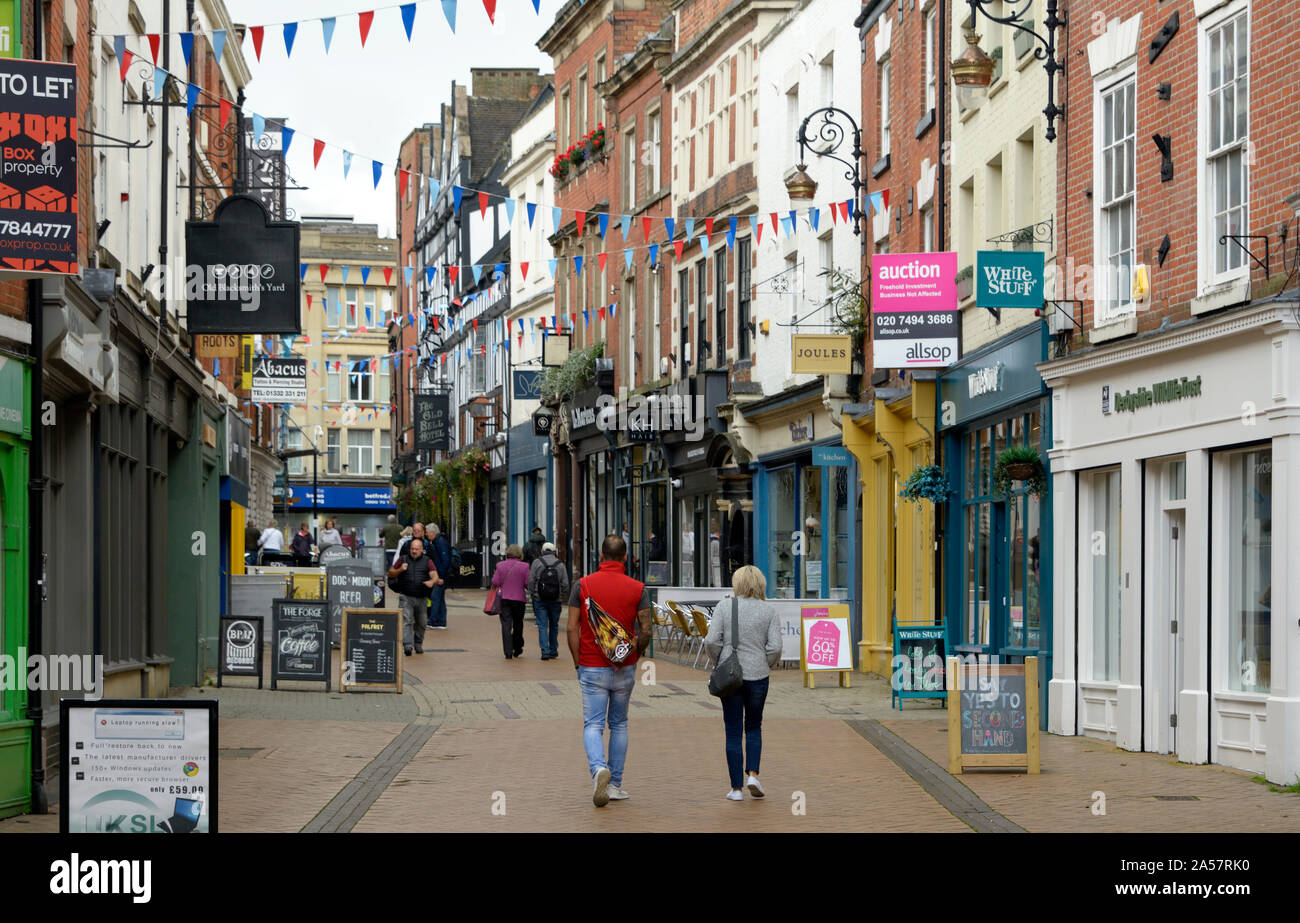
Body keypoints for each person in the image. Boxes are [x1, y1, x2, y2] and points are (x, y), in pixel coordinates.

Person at [567, 535, 652, 807]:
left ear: (601, 556)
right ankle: (614, 784)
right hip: (624, 667)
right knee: (619, 724)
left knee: (593, 724)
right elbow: (647, 629)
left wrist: (578, 662)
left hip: (591, 665)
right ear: (626, 557)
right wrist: (634, 655)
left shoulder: (582, 585)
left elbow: (571, 628)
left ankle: (598, 769)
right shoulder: (638, 589)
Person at [703, 564, 783, 802]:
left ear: (737, 583)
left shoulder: (725, 606)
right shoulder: (769, 612)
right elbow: (776, 647)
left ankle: (736, 789)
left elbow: (711, 640)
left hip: (731, 677)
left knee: (733, 730)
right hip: (758, 675)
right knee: (754, 726)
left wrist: (720, 660)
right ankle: (753, 775)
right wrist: (764, 662)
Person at [386, 537, 440, 656]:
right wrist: (400, 569)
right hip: (406, 596)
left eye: (417, 549)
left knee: (422, 622)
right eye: (412, 549)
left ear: (422, 550)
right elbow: (390, 573)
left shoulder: (427, 561)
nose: (414, 551)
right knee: (406, 620)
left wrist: (432, 581)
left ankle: (418, 643)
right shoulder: (403, 559)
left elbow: (435, 575)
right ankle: (407, 645)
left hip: (422, 597)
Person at [528, 541, 569, 660]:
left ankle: (545, 651)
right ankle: (553, 650)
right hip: (556, 600)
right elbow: (565, 584)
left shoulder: (537, 562)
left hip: (539, 599)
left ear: (542, 551)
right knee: (554, 625)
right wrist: (561, 594)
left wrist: (532, 593)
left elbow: (531, 580)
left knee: (542, 625)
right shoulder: (560, 564)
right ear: (554, 552)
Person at [490, 545, 532, 660]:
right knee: (518, 624)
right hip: (519, 600)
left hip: (504, 599)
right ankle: (517, 648)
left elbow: (495, 582)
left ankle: (508, 652)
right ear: (519, 554)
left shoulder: (500, 565)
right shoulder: (525, 566)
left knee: (506, 625)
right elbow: (528, 584)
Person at [427, 524, 452, 630]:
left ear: (433, 532)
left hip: (440, 575)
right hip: (440, 574)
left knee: (436, 597)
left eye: (427, 532)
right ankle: (441, 621)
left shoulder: (440, 542)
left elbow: (445, 560)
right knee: (440, 598)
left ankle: (434, 620)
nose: (426, 534)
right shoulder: (438, 541)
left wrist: (440, 576)